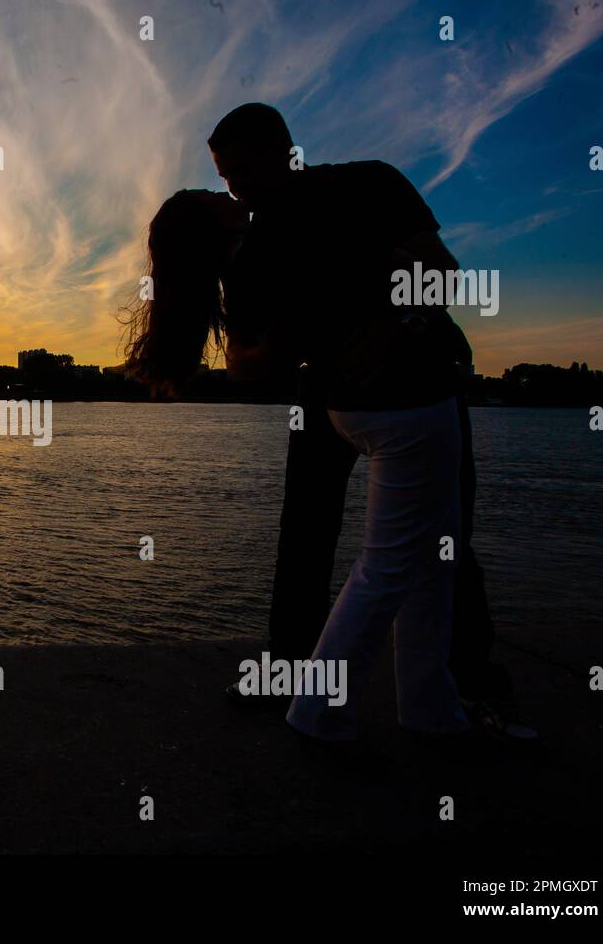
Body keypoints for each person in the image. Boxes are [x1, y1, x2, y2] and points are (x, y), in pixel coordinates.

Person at [206, 103, 536, 741]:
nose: (235, 188)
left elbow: (440, 273)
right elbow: (241, 364)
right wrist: (287, 343)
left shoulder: (369, 184)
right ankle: (292, 674)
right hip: (325, 389)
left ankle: (471, 685)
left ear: (286, 151)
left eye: (242, 170)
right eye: (224, 176)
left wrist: (399, 327)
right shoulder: (249, 251)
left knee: (447, 540)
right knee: (304, 531)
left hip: (416, 382)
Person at [124, 185, 468, 742]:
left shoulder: (241, 281)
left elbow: (263, 355)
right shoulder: (279, 244)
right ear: (217, 225)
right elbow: (428, 275)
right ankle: (319, 712)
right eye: (213, 194)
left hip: (355, 406)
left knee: (430, 561)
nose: (225, 192)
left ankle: (429, 707)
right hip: (408, 403)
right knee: (390, 567)